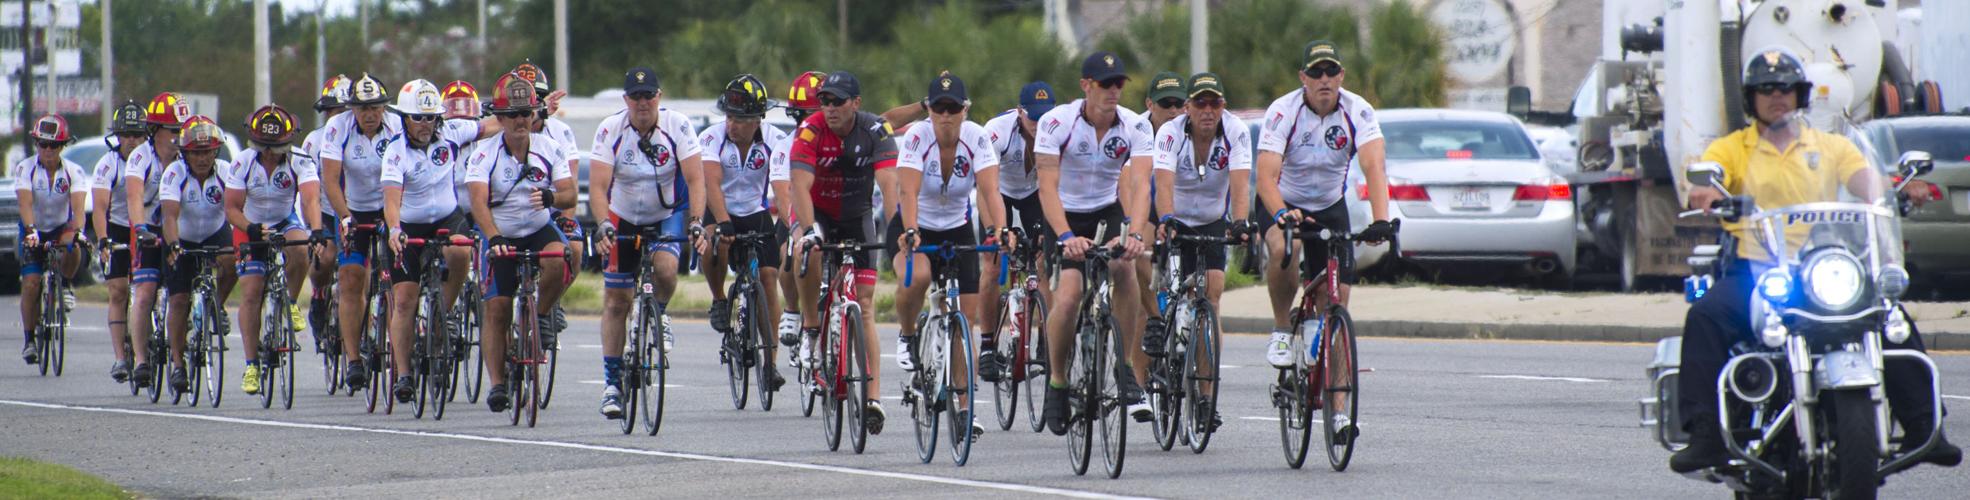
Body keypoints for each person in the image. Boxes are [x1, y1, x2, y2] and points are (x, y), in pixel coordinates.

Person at [1669, 49, 1960, 473]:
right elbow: (1704, 181)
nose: (1777, 97)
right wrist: (1708, 194)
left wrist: (1896, 187)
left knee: (1888, 315)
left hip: (1824, 265)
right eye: (1766, 89)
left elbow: (1867, 181)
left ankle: (1925, 428)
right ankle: (1706, 434)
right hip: (1756, 267)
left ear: (1801, 95)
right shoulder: (1732, 148)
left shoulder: (1830, 146)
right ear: (1751, 99)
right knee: (1706, 316)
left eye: (1786, 87)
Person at [1036, 51, 1158, 432]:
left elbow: (1140, 184)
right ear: (1086, 86)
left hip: (1105, 209)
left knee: (1124, 267)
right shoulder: (1056, 122)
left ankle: (1122, 365)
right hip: (1064, 213)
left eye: (1119, 83)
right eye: (1106, 84)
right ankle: (1057, 381)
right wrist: (1066, 236)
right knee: (1069, 296)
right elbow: (1047, 187)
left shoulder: (1135, 125)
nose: (1114, 91)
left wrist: (1136, 233)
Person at [1256, 40, 1395, 369]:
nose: (1324, 79)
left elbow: (1374, 165)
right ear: (1303, 77)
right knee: (1282, 248)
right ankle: (1280, 329)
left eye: (1331, 71)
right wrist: (1280, 213)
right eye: (1316, 72)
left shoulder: (1357, 109)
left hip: (1329, 206)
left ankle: (1340, 414)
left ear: (1341, 75)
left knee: (1337, 302)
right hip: (1285, 201)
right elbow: (1265, 177)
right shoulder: (1283, 111)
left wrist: (1381, 220)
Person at [887, 72, 1007, 439]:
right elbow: (907, 191)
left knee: (962, 326)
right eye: (938, 108)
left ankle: (964, 410)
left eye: (953, 108)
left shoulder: (977, 138)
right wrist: (911, 231)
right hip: (915, 224)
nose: (945, 116)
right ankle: (908, 335)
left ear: (964, 110)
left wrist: (1000, 231)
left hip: (956, 228)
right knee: (919, 276)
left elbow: (990, 191)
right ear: (929, 111)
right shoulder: (917, 137)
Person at [587, 66, 707, 419]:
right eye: (636, 97)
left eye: (649, 95)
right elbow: (597, 186)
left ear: (659, 96)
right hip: (623, 215)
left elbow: (696, 179)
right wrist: (604, 224)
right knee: (616, 301)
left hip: (664, 212)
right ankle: (612, 385)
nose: (643, 103)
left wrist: (697, 222)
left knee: (667, 269)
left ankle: (661, 312)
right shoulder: (611, 129)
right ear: (626, 100)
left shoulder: (678, 126)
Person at [788, 71, 900, 435]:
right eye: (825, 101)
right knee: (809, 252)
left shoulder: (874, 132)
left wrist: (897, 226)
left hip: (857, 214)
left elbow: (888, 183)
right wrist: (807, 231)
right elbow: (800, 188)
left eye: (838, 101)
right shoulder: (810, 131)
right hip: (815, 212)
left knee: (865, 306)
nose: (830, 108)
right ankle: (809, 328)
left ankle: (873, 399)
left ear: (856, 103)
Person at [467, 71, 578, 413]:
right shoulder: (484, 154)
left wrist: (551, 198)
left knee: (561, 258)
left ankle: (542, 313)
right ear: (499, 118)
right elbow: (477, 202)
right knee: (497, 308)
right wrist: (494, 237)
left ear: (535, 114)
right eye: (512, 114)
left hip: (537, 227)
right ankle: (498, 383)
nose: (520, 120)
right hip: (500, 231)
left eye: (526, 113)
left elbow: (570, 192)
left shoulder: (550, 148)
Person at [1147, 72, 1252, 429]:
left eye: (1215, 103)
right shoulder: (1170, 133)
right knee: (1163, 285)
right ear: (1188, 107)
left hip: (1209, 219)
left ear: (1223, 107)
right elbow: (1162, 182)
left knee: (1212, 295)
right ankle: (1160, 336)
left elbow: (1240, 183)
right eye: (1201, 104)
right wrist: (1166, 218)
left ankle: (1206, 397)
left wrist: (1239, 223)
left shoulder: (1236, 131)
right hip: (1173, 215)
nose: (1208, 111)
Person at [381, 80, 485, 404]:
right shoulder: (395, 151)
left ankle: (445, 314)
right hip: (409, 223)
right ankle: (404, 374)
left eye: (430, 118)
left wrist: (532, 114)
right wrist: (395, 229)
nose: (425, 124)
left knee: (460, 249)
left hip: (447, 216)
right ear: (404, 118)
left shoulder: (452, 132)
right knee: (404, 301)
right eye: (418, 118)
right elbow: (391, 201)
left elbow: (493, 125)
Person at [698, 74, 792, 394]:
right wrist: (722, 222)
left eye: (739, 119)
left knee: (769, 279)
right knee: (714, 244)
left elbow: (782, 185)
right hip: (719, 206)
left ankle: (771, 363)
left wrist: (788, 221)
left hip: (755, 211)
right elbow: (710, 182)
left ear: (757, 120)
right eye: (728, 116)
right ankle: (720, 300)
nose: (731, 124)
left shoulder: (777, 140)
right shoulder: (712, 138)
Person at [226, 105, 328, 397]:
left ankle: (291, 303)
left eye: (278, 148)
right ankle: (251, 364)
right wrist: (250, 227)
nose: (271, 154)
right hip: (250, 224)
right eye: (265, 148)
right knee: (251, 291)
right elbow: (231, 208)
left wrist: (317, 230)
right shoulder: (243, 163)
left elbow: (310, 201)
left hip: (285, 220)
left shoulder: (300, 161)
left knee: (299, 250)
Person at [319, 73, 403, 390]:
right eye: (362, 109)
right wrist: (344, 217)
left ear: (384, 108)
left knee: (399, 280)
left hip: (390, 205)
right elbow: (330, 180)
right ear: (352, 109)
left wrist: (396, 219)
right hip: (353, 208)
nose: (369, 115)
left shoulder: (397, 126)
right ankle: (353, 359)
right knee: (352, 277)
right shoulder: (336, 128)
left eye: (376, 108)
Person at [976, 81, 1057, 380]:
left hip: (1037, 193)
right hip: (1000, 192)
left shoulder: (1058, 129)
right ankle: (987, 346)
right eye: (1033, 118)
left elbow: (1058, 185)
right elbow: (986, 188)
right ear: (1020, 112)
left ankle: (1047, 342)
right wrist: (994, 230)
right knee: (992, 260)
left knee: (1045, 261)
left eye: (1044, 118)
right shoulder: (996, 131)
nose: (1039, 125)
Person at [158, 116, 242, 392]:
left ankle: (215, 304)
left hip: (215, 231)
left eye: (207, 152)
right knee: (179, 300)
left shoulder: (227, 171)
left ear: (216, 151)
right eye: (196, 152)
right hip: (181, 235)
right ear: (186, 153)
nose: (203, 158)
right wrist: (172, 245)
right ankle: (178, 363)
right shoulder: (174, 173)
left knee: (232, 261)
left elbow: (240, 208)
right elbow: (170, 216)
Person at [124, 92, 193, 391]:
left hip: (177, 229)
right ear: (155, 131)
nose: (180, 136)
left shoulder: (189, 155)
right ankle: (140, 359)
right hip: (149, 230)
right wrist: (140, 228)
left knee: (182, 293)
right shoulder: (141, 157)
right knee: (145, 292)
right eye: (174, 131)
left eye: (183, 129)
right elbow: (134, 196)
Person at [511, 62, 583, 343]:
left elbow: (571, 183)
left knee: (574, 248)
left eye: (538, 96)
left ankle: (551, 302)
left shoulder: (560, 132)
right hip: (512, 214)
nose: (533, 104)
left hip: (551, 209)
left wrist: (566, 217)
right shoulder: (502, 129)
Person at [14, 114, 88, 366]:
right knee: (32, 284)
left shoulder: (73, 171)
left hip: (60, 226)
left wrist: (78, 229)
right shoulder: (26, 168)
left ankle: (65, 284)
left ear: (62, 146)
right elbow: (25, 203)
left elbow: (78, 209)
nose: (47, 150)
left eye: (54, 145)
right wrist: (31, 229)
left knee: (73, 242)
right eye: (42, 144)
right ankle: (29, 340)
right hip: (32, 227)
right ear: (36, 145)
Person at [94, 101, 153, 383]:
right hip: (118, 228)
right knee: (118, 291)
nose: (131, 141)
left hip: (149, 226)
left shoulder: (152, 159)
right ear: (117, 137)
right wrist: (104, 240)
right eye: (126, 135)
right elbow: (100, 206)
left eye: (137, 135)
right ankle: (120, 357)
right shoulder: (108, 164)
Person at [1136, 70, 1187, 360]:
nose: (1173, 111)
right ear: (1149, 104)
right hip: (1145, 204)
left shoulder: (1191, 128)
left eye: (1179, 104)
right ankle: (1153, 316)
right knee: (1139, 243)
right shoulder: (1136, 130)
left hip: (1182, 207)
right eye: (1165, 103)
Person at [777, 70, 827, 361]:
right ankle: (793, 309)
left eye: (809, 115)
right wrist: (798, 232)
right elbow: (784, 194)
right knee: (790, 250)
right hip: (797, 213)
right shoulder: (786, 146)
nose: (803, 124)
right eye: (798, 117)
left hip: (831, 210)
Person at [302, 75, 352, 355]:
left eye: (346, 111)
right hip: (326, 210)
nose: (340, 117)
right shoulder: (314, 141)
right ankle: (319, 296)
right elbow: (307, 187)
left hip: (357, 208)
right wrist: (313, 226)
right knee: (328, 256)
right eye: (335, 111)